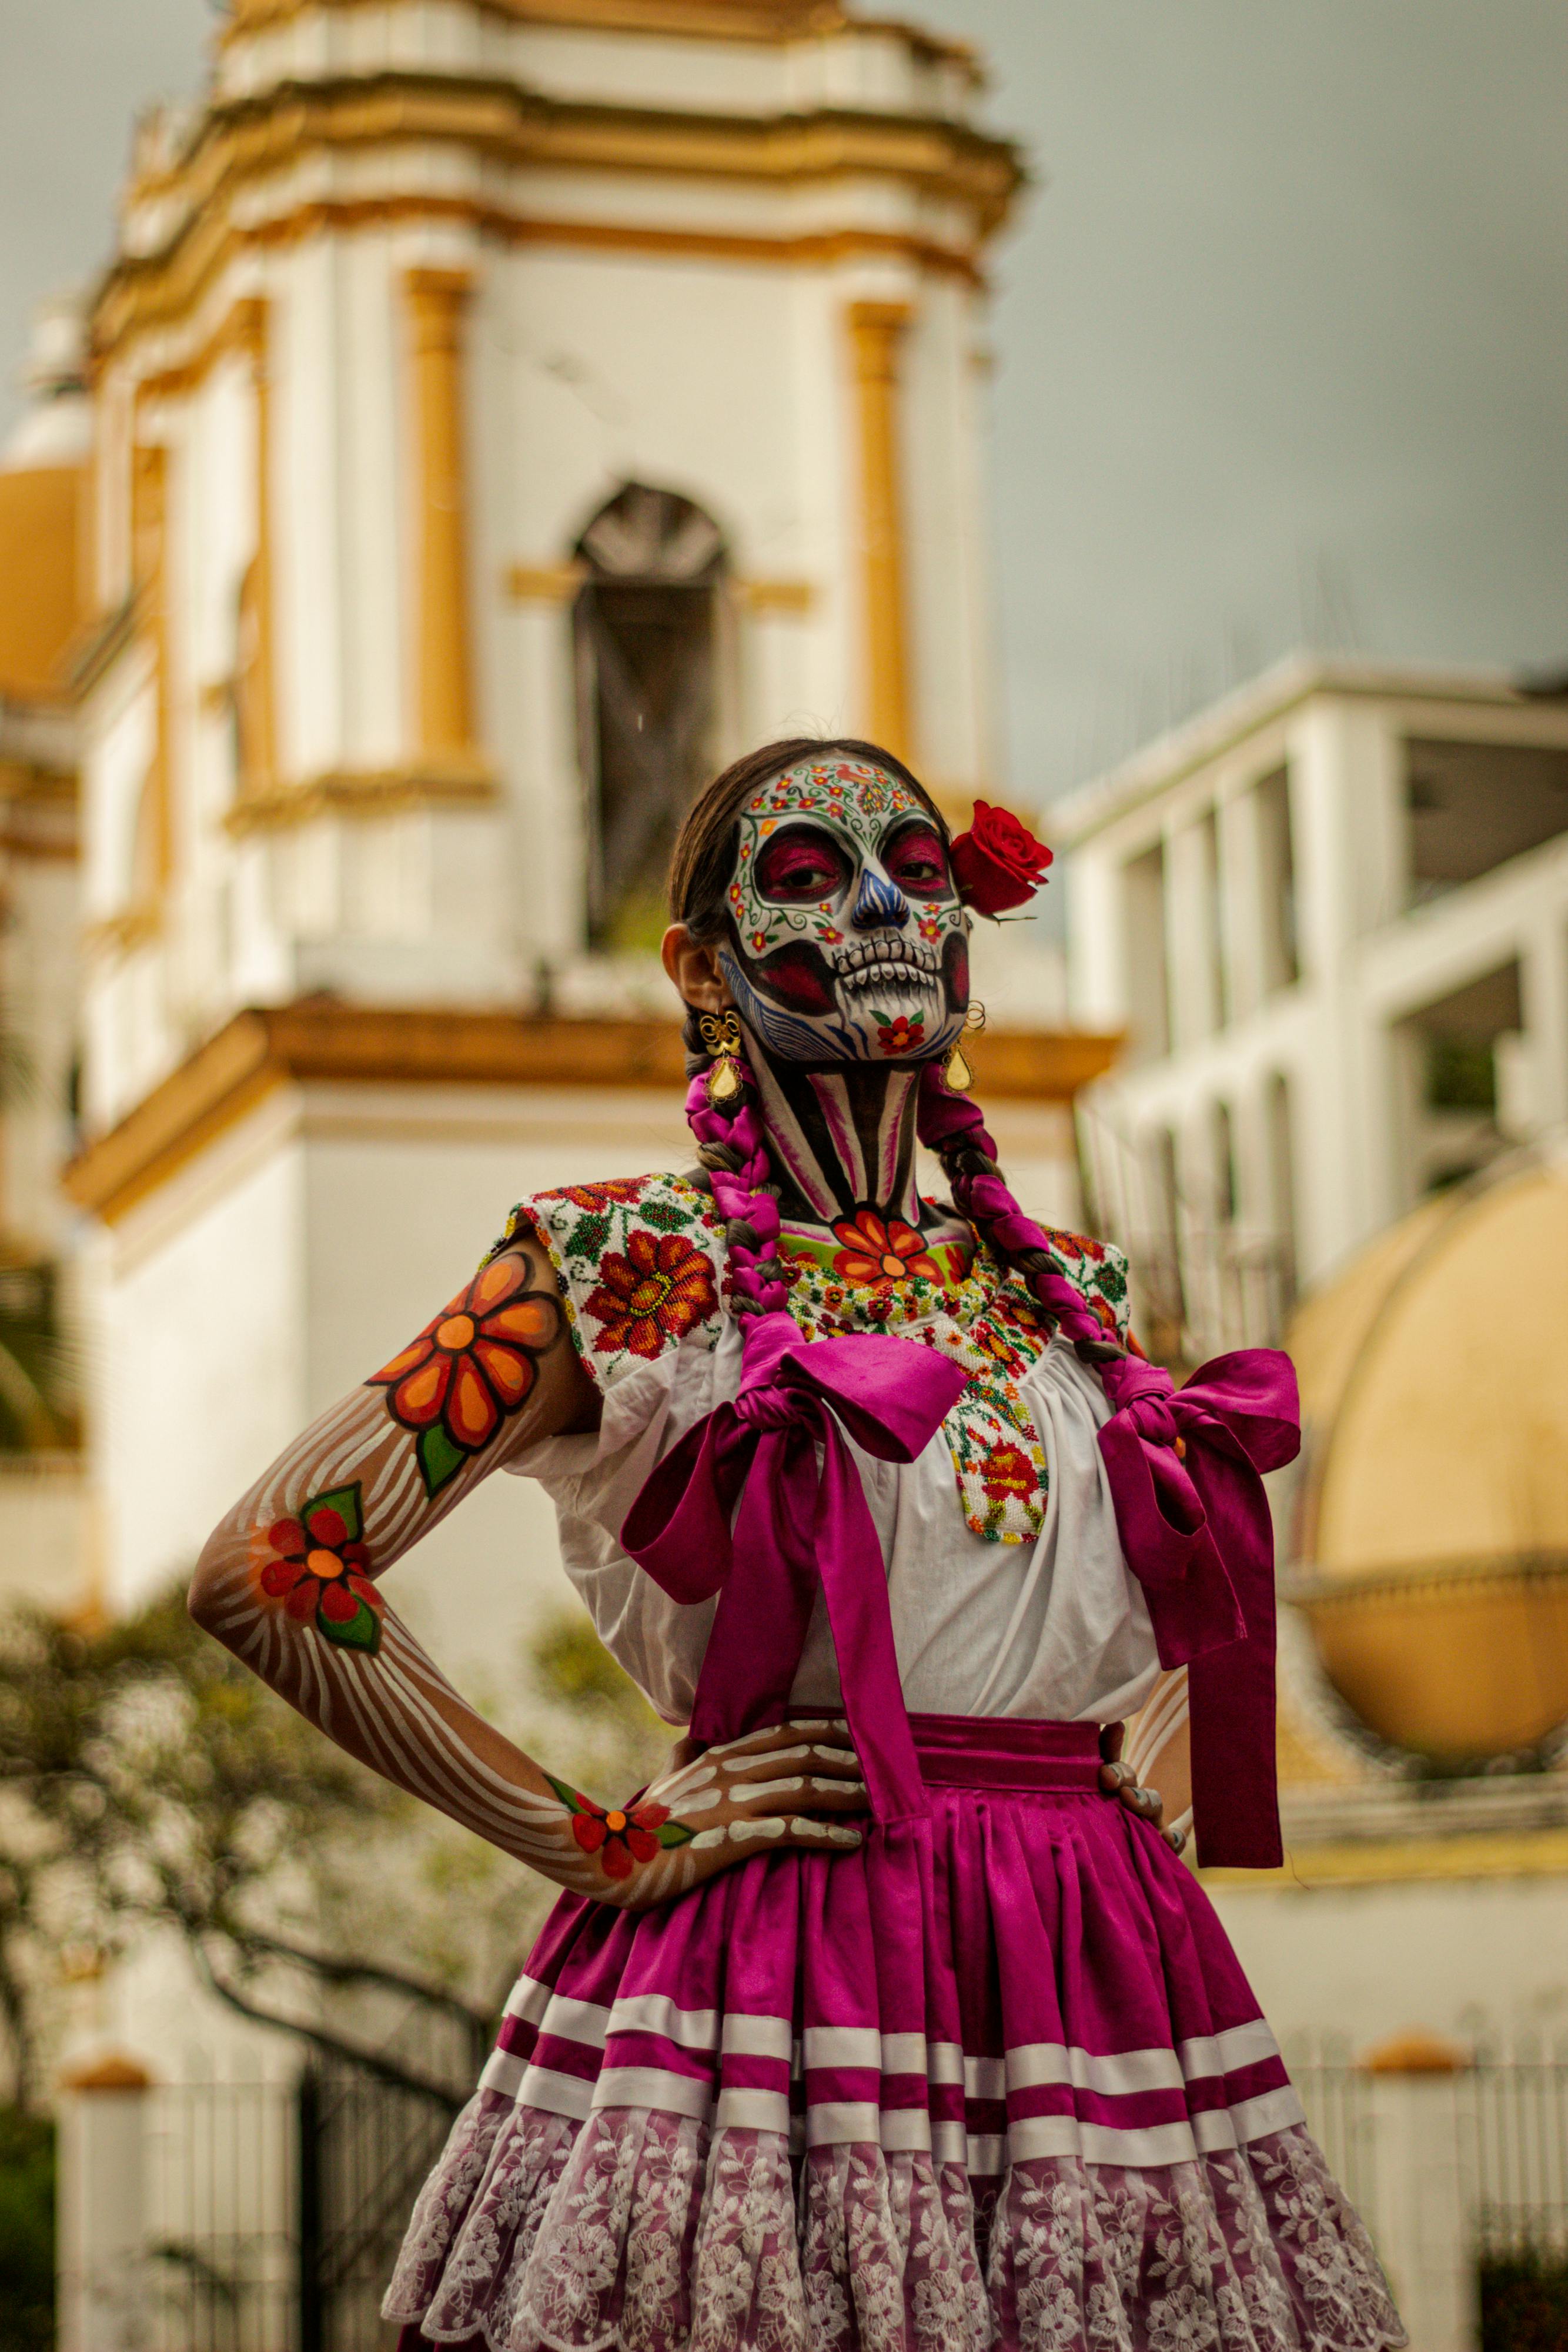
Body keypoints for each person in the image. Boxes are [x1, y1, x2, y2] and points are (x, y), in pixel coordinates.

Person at [189, 740, 1405, 2352]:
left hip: (1092, 1973)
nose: (887, 907)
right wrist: (587, 1835)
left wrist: (1117, 1781)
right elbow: (273, 1562)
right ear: (699, 966)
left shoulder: (1080, 1301)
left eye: (915, 865)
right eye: (813, 878)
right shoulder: (621, 1267)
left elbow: (1193, 1603)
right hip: (787, 1954)